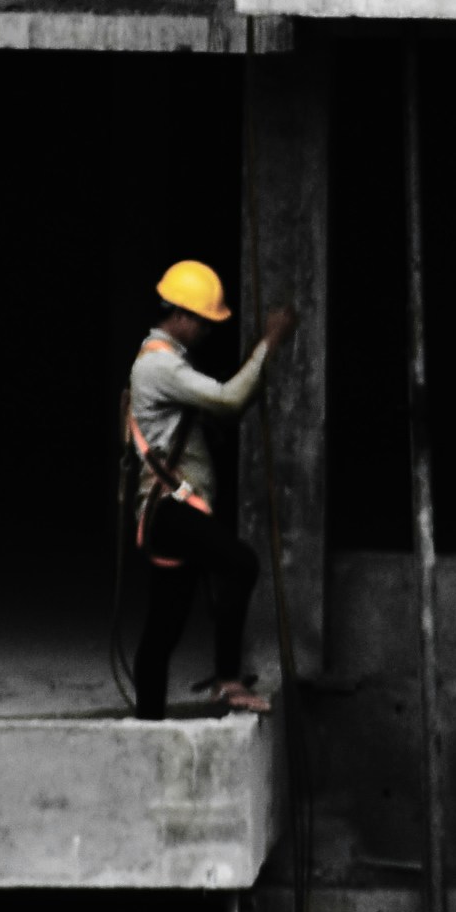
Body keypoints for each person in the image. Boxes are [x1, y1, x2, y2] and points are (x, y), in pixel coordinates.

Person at [124, 260, 297, 720]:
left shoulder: (167, 362)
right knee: (242, 564)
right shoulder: (160, 365)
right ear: (180, 314)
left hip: (171, 513)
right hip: (171, 512)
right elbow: (229, 399)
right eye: (202, 320)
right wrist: (270, 343)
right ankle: (227, 681)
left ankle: (149, 725)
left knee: (164, 629)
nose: (205, 330)